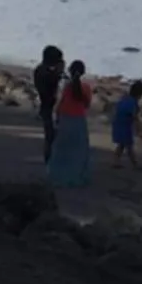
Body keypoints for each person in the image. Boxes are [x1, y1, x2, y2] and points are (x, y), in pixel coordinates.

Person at [47, 59, 93, 188]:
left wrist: (56, 117)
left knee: (61, 148)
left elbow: (61, 103)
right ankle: (77, 175)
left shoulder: (67, 86)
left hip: (65, 118)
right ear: (83, 72)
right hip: (78, 120)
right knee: (79, 150)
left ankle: (57, 175)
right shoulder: (86, 88)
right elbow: (87, 105)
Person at [34, 45, 65, 163]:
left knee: (50, 136)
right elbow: (51, 87)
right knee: (51, 136)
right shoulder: (46, 74)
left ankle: (51, 159)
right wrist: (58, 73)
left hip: (46, 107)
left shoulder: (40, 70)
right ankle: (51, 160)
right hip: (49, 107)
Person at [111, 81, 142, 169]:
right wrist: (139, 130)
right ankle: (135, 164)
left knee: (121, 144)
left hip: (117, 123)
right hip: (125, 126)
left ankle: (116, 161)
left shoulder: (124, 99)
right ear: (139, 94)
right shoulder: (133, 103)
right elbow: (135, 117)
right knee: (129, 146)